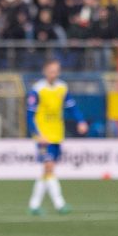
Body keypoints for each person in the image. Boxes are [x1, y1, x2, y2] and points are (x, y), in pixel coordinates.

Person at [26, 58, 86, 214]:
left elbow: (72, 107)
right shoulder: (37, 90)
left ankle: (33, 205)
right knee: (49, 167)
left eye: (56, 71)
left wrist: (80, 121)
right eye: (51, 71)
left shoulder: (62, 88)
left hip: (57, 134)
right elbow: (30, 116)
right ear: (45, 71)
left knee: (47, 171)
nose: (54, 74)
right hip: (43, 136)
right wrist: (38, 134)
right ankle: (60, 204)